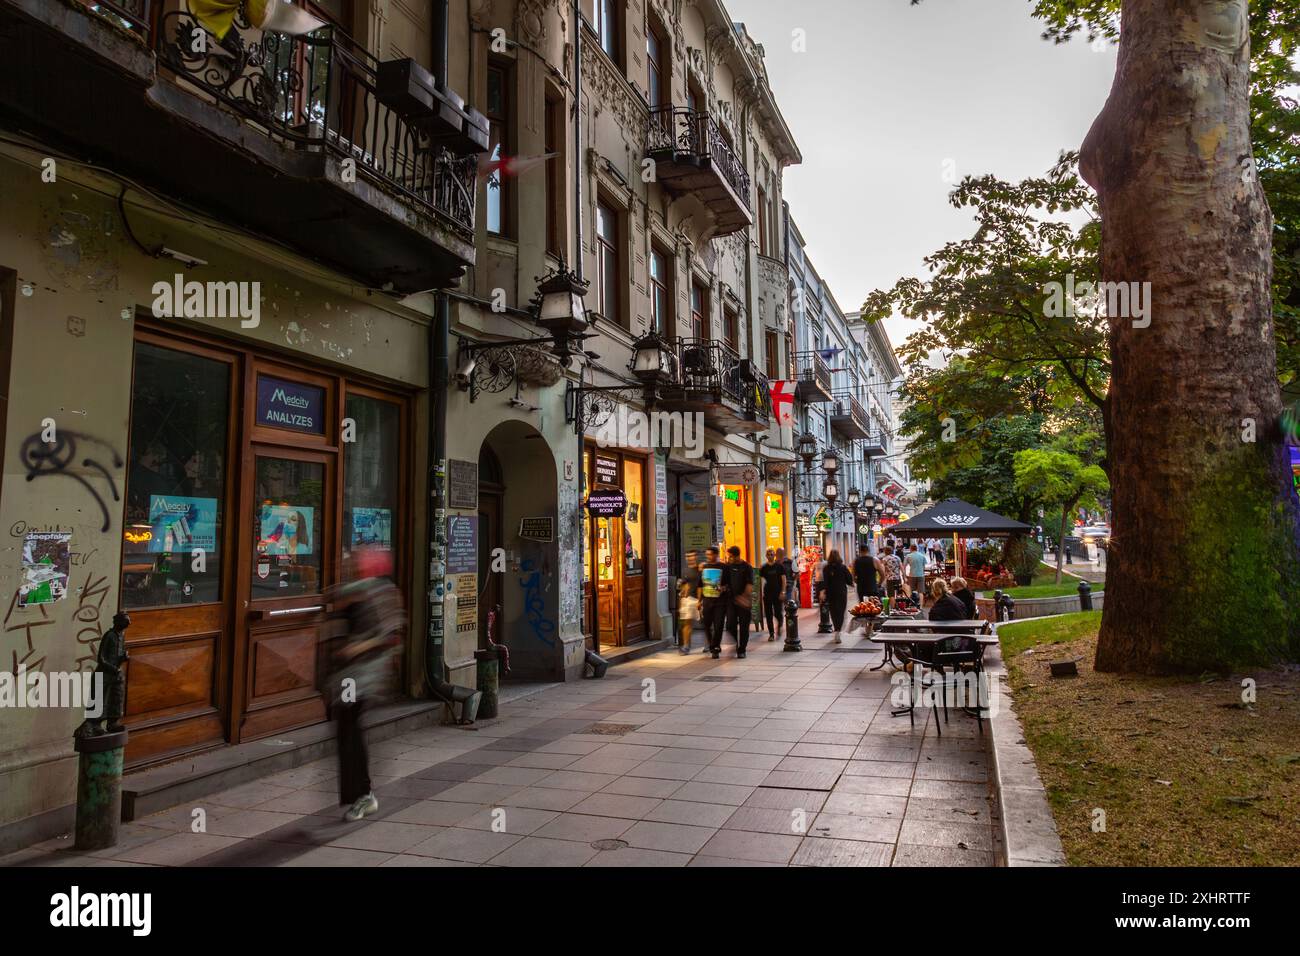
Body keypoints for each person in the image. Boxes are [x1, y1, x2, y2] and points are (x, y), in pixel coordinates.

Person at [321, 547, 404, 822]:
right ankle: (359, 795)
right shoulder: (353, 591)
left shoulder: (379, 593)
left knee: (351, 734)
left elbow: (391, 635)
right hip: (348, 676)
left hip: (365, 675)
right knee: (347, 733)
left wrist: (358, 647)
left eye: (356, 563)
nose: (350, 566)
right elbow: (337, 603)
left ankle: (364, 796)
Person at [724, 545, 755, 658]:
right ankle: (736, 644)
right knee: (730, 625)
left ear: (737, 556)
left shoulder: (747, 567)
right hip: (731, 601)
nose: (729, 559)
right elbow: (725, 582)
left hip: (744, 602)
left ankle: (742, 649)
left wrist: (744, 597)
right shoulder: (728, 567)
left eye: (731, 557)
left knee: (744, 627)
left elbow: (750, 584)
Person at [698, 546, 728, 659]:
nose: (708, 557)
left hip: (720, 601)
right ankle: (712, 644)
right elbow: (700, 585)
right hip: (707, 601)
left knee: (719, 625)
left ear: (716, 554)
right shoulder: (704, 567)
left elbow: (729, 583)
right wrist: (699, 600)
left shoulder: (724, 567)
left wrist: (724, 588)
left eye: (710, 554)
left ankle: (715, 647)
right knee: (706, 625)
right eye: (707, 555)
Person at [818, 549, 853, 644]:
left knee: (833, 612)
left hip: (831, 593)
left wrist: (823, 592)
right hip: (841, 592)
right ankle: (838, 631)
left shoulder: (826, 568)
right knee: (841, 611)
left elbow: (824, 582)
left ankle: (836, 629)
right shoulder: (843, 567)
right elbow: (849, 580)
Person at [759, 549, 786, 641]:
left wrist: (783, 592)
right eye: (769, 554)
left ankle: (779, 626)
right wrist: (761, 593)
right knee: (768, 614)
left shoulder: (779, 566)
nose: (770, 556)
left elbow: (783, 580)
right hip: (767, 594)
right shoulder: (763, 568)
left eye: (772, 554)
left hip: (777, 593)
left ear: (774, 556)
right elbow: (761, 581)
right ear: (766, 556)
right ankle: (771, 633)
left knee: (778, 613)